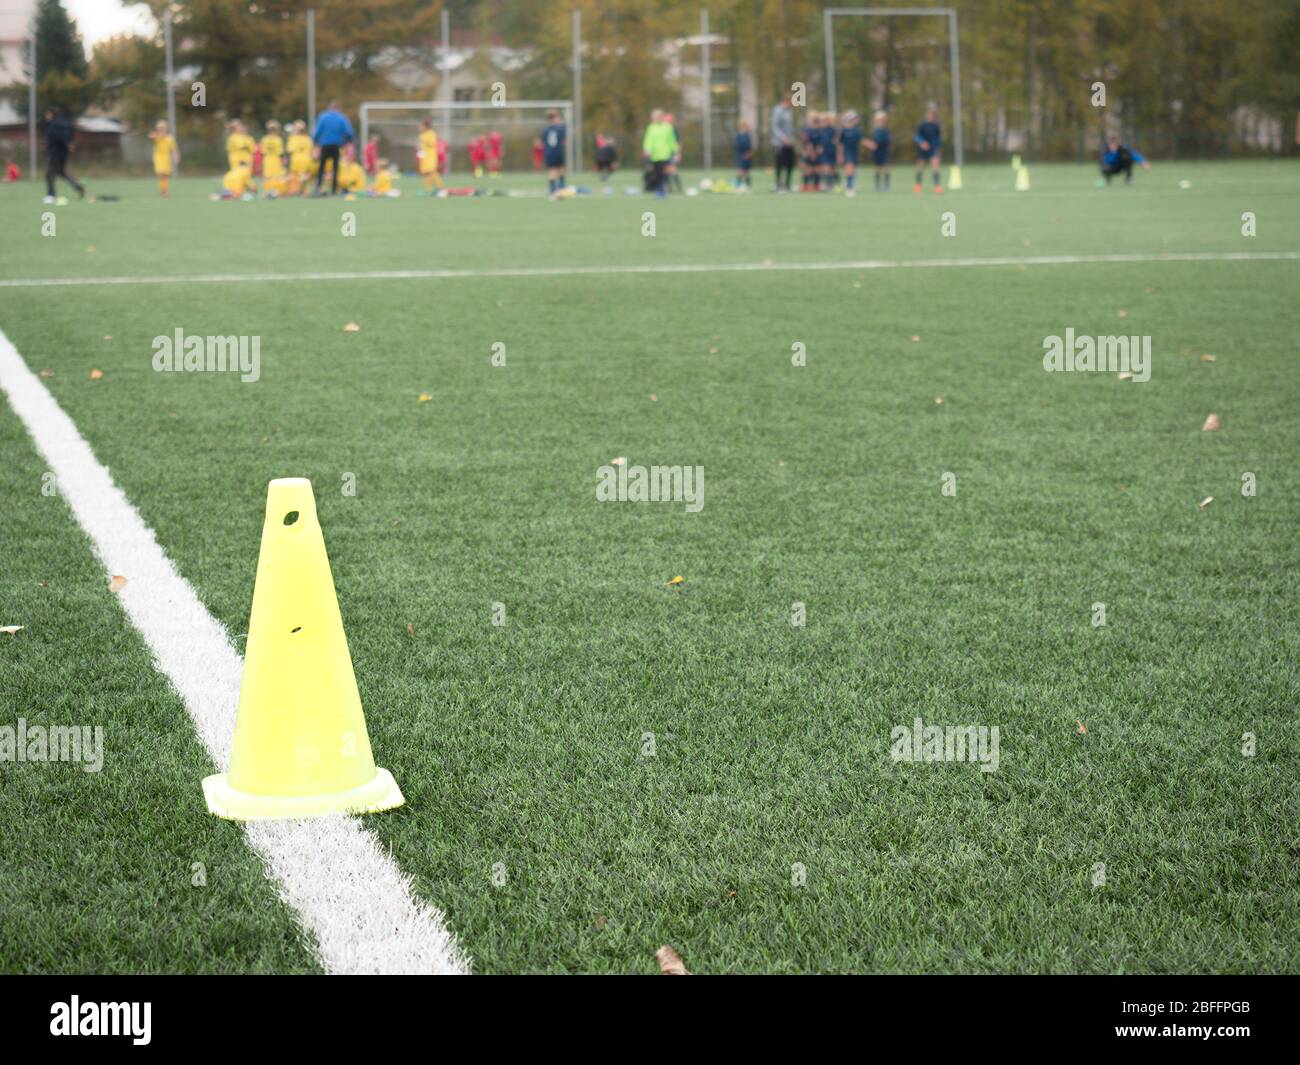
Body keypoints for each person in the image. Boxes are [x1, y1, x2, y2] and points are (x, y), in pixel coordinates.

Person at [312, 100, 355, 195]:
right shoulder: (341, 117)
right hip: (336, 146)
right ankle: (334, 189)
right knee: (335, 168)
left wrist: (315, 143)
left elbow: (317, 131)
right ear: (338, 108)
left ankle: (318, 187)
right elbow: (349, 132)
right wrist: (348, 142)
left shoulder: (323, 117)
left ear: (329, 108)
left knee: (321, 167)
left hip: (325, 145)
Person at [43, 108, 84, 202]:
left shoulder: (54, 124)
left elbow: (58, 137)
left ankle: (51, 195)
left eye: (47, 115)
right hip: (64, 152)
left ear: (51, 114)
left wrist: (67, 143)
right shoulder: (65, 122)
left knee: (49, 174)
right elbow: (72, 131)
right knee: (61, 172)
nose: (46, 117)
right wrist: (70, 143)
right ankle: (78, 186)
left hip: (55, 152)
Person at [642, 109, 678, 198]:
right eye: (653, 117)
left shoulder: (667, 127)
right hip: (655, 155)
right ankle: (659, 189)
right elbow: (648, 140)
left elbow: (672, 140)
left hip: (665, 154)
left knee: (665, 173)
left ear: (660, 117)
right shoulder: (651, 127)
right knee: (657, 174)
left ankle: (663, 191)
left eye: (656, 117)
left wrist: (676, 152)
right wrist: (647, 150)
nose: (654, 119)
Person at [913, 103, 942, 194]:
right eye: (930, 114)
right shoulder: (922, 125)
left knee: (935, 167)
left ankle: (937, 187)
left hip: (933, 149)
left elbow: (938, 138)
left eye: (933, 114)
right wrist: (922, 143)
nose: (931, 116)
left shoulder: (936, 125)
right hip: (923, 149)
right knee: (920, 168)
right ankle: (918, 185)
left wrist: (938, 148)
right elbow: (916, 136)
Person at [771, 94, 796, 192]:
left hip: (790, 142)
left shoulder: (789, 112)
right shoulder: (777, 111)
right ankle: (778, 185)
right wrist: (783, 138)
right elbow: (775, 128)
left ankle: (787, 185)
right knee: (779, 164)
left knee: (790, 164)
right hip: (779, 143)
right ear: (786, 101)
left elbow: (790, 127)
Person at [149, 120, 179, 198]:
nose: (161, 129)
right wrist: (157, 135)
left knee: (165, 175)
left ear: (166, 129)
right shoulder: (157, 136)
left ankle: (164, 191)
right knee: (161, 174)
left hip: (166, 158)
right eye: (159, 128)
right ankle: (163, 192)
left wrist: (176, 157)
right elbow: (151, 136)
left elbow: (174, 149)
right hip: (158, 158)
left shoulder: (170, 138)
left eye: (163, 128)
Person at [541, 108, 567, 196]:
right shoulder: (560, 128)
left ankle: (552, 189)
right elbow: (563, 139)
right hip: (558, 150)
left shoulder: (545, 129)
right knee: (561, 167)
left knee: (551, 170)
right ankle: (562, 186)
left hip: (548, 152)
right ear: (554, 118)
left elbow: (543, 141)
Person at [838, 111, 862, 196]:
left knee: (852, 170)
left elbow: (861, 140)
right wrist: (840, 155)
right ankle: (849, 187)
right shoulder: (844, 130)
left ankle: (849, 184)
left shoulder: (856, 130)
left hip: (854, 152)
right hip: (847, 152)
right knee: (849, 169)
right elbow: (840, 144)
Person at [417, 118, 443, 194]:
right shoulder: (421, 135)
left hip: (431, 156)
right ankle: (427, 189)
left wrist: (424, 141)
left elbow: (432, 144)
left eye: (421, 126)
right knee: (425, 173)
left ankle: (440, 187)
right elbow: (421, 145)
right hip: (424, 156)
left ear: (426, 126)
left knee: (432, 172)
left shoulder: (432, 133)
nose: (420, 128)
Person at [259, 120, 285, 196]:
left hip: (270, 159)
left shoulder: (265, 139)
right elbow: (281, 153)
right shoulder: (277, 139)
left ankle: (273, 191)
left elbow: (262, 153)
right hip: (272, 159)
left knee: (273, 177)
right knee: (270, 177)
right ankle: (269, 191)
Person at [868, 110, 892, 191]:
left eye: (881, 120)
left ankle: (886, 186)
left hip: (884, 151)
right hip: (877, 152)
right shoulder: (875, 131)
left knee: (886, 168)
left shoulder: (886, 130)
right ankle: (877, 186)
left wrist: (879, 143)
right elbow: (872, 141)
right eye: (878, 120)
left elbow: (888, 141)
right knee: (877, 168)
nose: (880, 122)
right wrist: (872, 145)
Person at [287, 120, 314, 187]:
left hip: (296, 160)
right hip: (306, 160)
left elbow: (290, 150)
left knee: (295, 178)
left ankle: (296, 190)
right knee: (305, 177)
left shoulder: (293, 138)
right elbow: (311, 150)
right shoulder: (308, 138)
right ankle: (304, 190)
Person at [734, 118, 754, 191]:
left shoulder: (748, 135)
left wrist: (749, 153)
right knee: (740, 171)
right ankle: (737, 187)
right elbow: (737, 146)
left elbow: (750, 146)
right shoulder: (738, 135)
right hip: (740, 156)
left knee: (747, 172)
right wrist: (743, 154)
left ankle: (748, 187)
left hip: (748, 156)